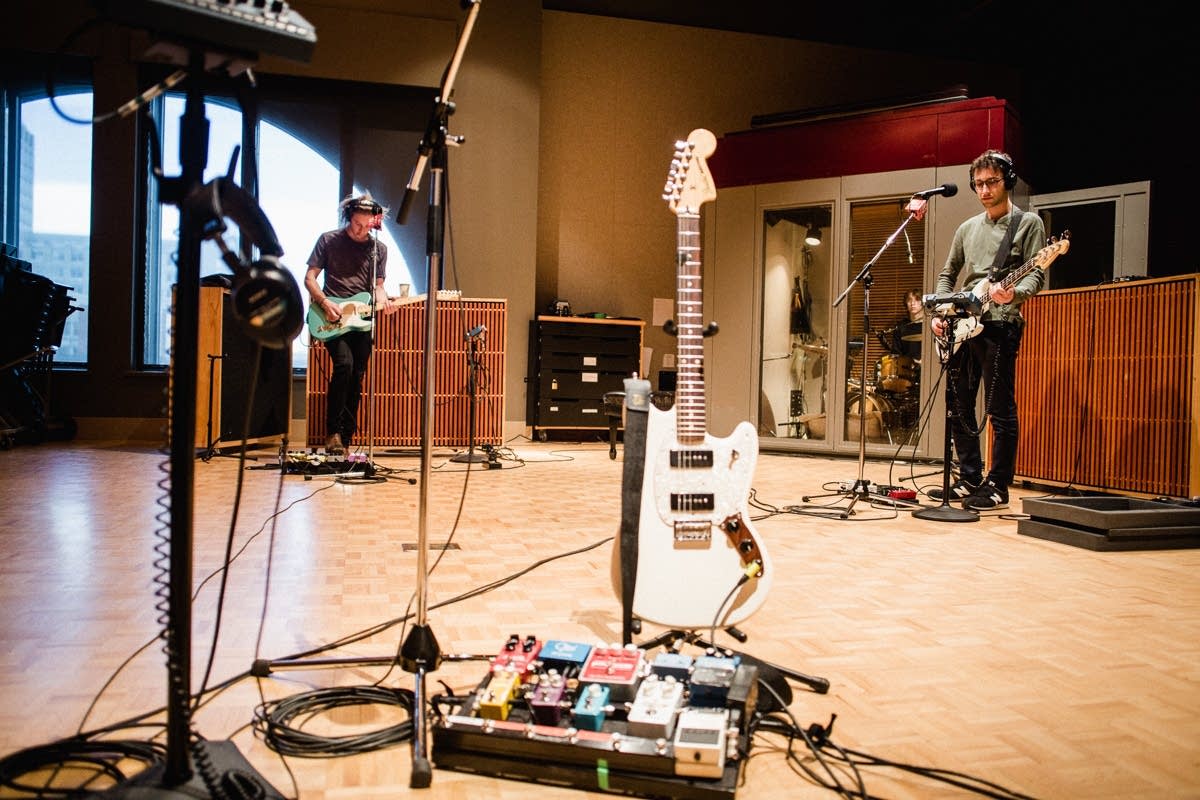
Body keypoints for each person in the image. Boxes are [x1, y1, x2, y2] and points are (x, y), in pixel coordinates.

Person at [919, 149, 1046, 510]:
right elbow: (948, 274)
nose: (984, 189)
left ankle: (998, 485)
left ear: (1008, 180)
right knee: (957, 403)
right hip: (963, 324)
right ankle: (970, 474)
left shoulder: (1028, 224)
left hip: (1000, 324)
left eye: (991, 181)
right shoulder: (966, 228)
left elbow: (1037, 272)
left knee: (999, 407)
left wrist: (1013, 293)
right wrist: (941, 310)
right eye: (978, 184)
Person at [304, 193, 397, 455]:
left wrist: (384, 301)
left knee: (357, 374)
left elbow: (378, 287)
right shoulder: (328, 240)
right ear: (348, 217)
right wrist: (324, 303)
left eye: (367, 225)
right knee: (343, 364)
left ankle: (345, 438)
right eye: (357, 224)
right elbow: (309, 278)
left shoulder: (379, 249)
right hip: (332, 317)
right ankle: (331, 431)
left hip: (363, 320)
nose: (361, 229)